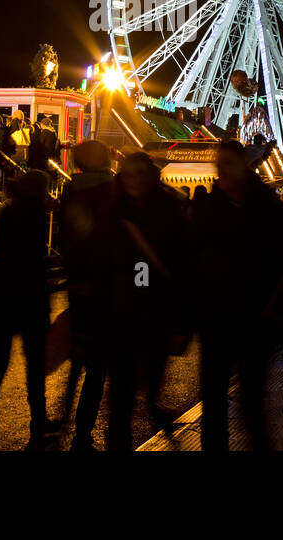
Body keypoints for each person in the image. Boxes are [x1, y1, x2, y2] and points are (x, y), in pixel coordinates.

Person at [191, 140, 283, 450]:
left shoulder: (272, 213)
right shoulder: (208, 209)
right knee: (214, 403)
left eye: (226, 163)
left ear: (243, 166)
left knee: (250, 404)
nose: (219, 169)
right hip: (217, 321)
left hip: (255, 321)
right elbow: (193, 261)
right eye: (218, 163)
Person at [104, 152, 189, 451]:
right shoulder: (114, 214)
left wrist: (180, 323)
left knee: (147, 382)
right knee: (120, 398)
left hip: (155, 314)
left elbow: (182, 269)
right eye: (129, 175)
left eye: (141, 174)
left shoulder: (170, 214)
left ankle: (152, 408)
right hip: (124, 315)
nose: (136, 181)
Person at [0, 171, 54, 450]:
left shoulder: (8, 211)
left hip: (3, 300)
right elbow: (34, 257)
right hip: (30, 300)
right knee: (34, 368)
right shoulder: (36, 214)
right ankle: (38, 424)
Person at [55, 140, 115, 449]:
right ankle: (82, 429)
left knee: (79, 355)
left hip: (78, 285)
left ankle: (61, 414)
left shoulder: (71, 188)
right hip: (103, 289)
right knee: (98, 365)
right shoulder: (112, 190)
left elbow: (65, 236)